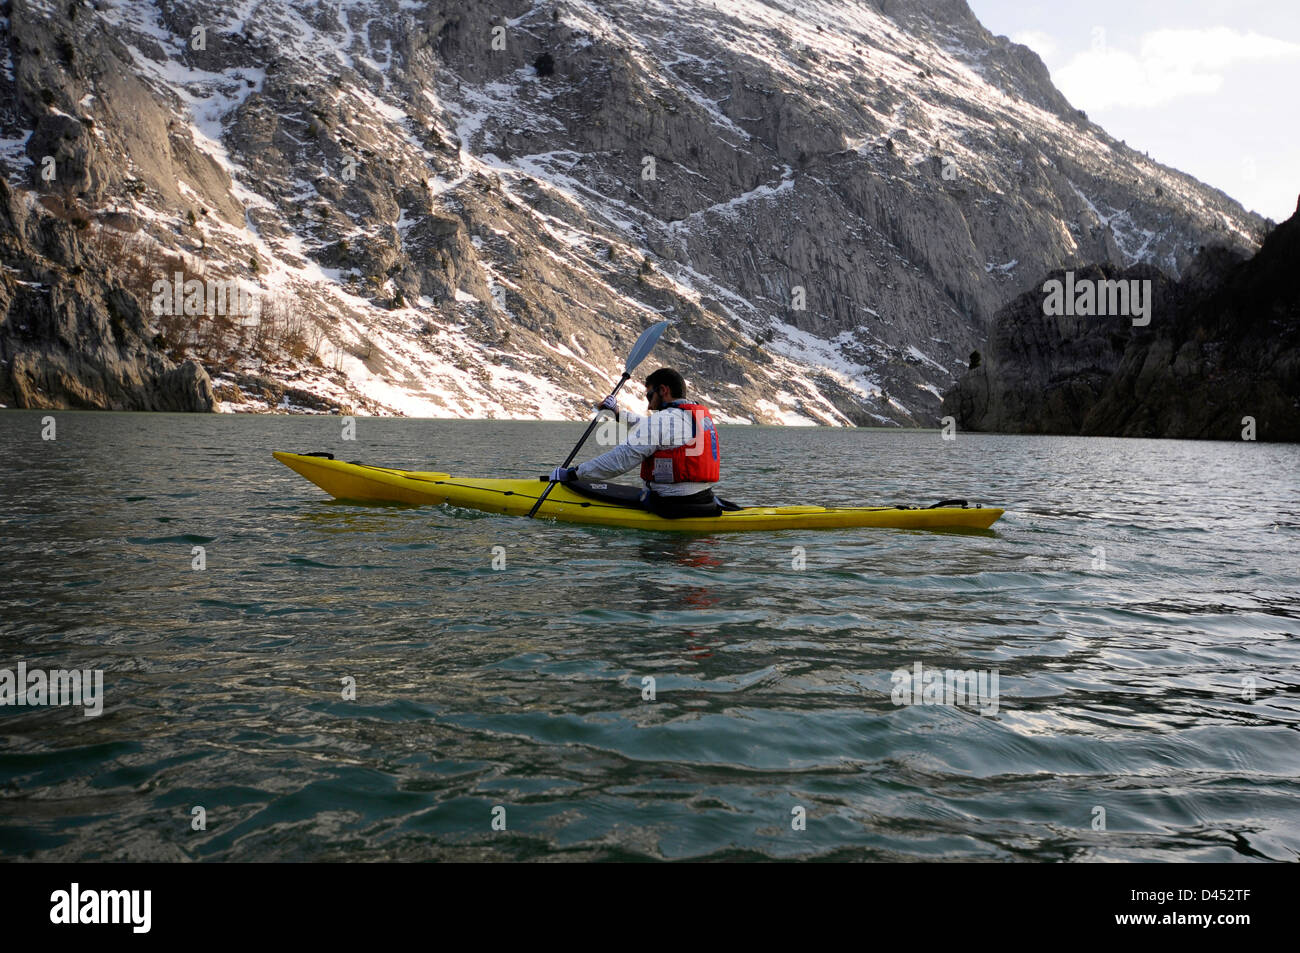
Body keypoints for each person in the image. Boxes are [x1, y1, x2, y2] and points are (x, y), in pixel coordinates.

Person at [548, 368, 722, 517]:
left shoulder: (663, 420)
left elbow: (619, 461)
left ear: (663, 390)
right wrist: (617, 413)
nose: (648, 400)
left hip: (671, 505)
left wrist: (572, 474)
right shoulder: (695, 416)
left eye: (649, 394)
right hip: (703, 498)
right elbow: (656, 429)